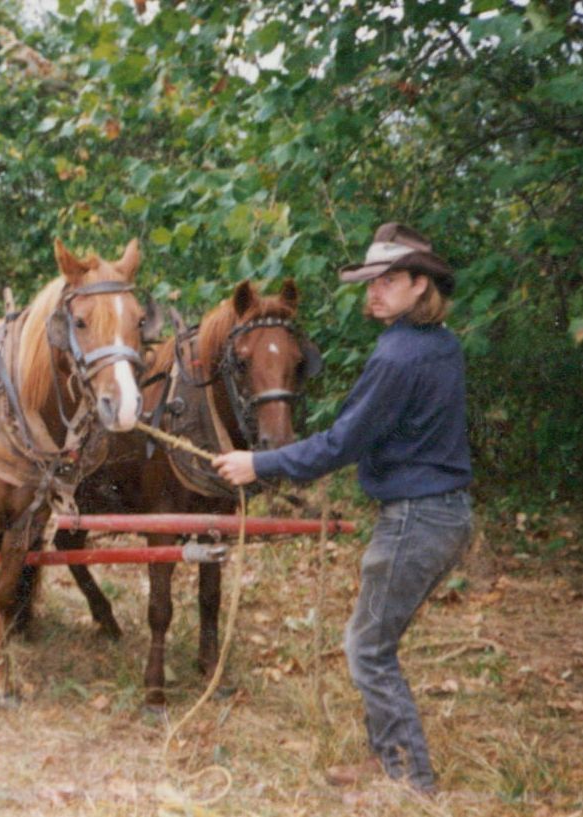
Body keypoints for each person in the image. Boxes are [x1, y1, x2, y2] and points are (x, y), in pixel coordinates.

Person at [213, 222, 472, 794]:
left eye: (388, 281)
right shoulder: (439, 344)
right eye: (370, 281)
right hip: (441, 514)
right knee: (375, 641)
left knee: (367, 648)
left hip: (417, 518)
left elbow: (341, 444)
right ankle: (390, 756)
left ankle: (410, 775)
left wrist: (259, 464)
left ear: (421, 286)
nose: (373, 292)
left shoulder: (399, 355)